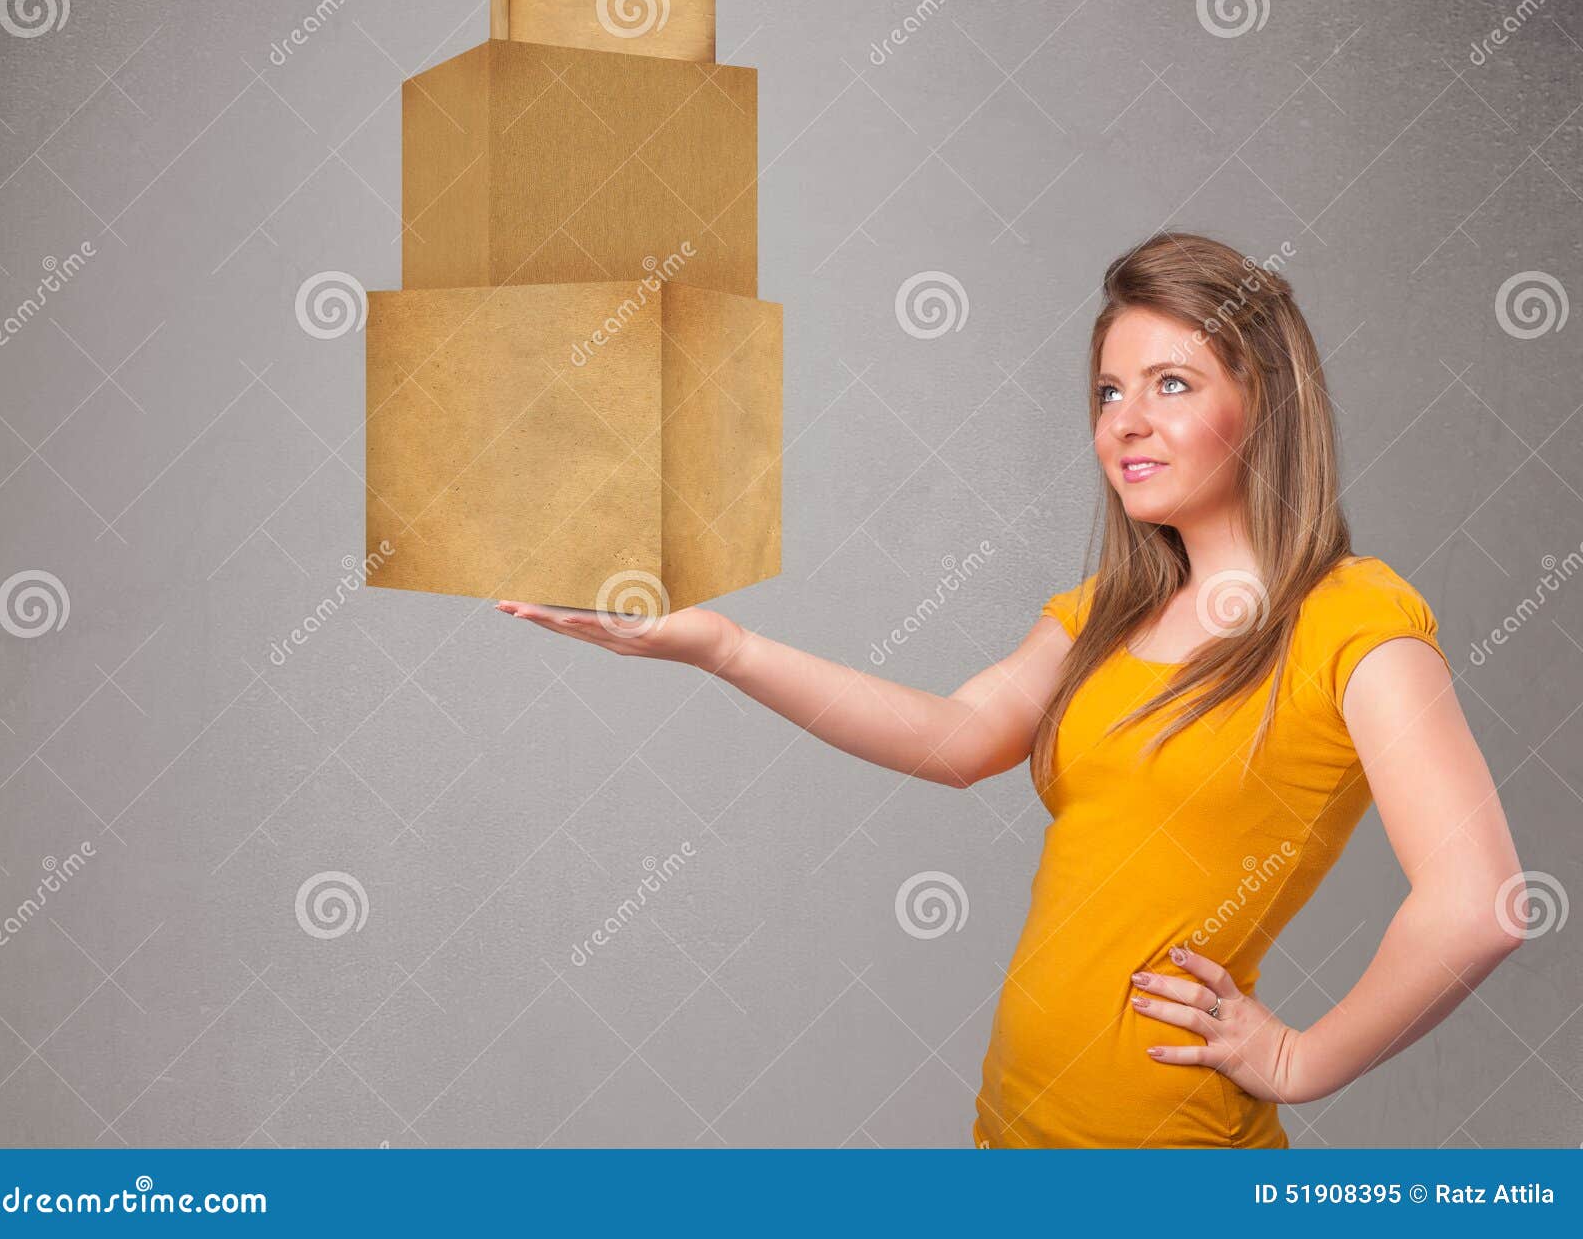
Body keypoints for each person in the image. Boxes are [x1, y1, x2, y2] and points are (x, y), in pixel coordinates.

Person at [494, 231, 1526, 1149]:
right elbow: (952, 739)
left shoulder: (1354, 622)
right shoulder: (1100, 614)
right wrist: (719, 645)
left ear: (1265, 400)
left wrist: (1302, 1061)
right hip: (1012, 1129)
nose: (1127, 420)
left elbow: (1479, 904)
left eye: (1172, 384)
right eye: (1107, 392)